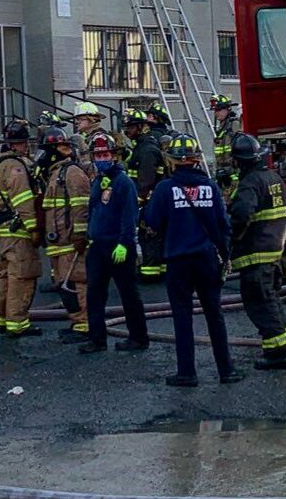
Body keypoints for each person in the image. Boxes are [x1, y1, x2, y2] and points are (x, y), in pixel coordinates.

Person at [143, 133, 241, 387]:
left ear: (173, 161)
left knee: (182, 316)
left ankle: (187, 373)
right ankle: (226, 370)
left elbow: (152, 222)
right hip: (207, 259)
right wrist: (225, 254)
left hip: (178, 261)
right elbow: (223, 225)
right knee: (214, 315)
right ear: (196, 159)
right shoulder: (210, 186)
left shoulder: (165, 189)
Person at [227, 133, 286, 370]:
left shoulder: (250, 183)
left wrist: (232, 237)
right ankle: (282, 343)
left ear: (240, 160)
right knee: (271, 300)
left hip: (255, 255)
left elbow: (242, 214)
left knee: (260, 304)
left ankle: (276, 354)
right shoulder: (274, 178)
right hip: (275, 252)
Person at [80, 132, 150, 354]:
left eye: (106, 154)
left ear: (114, 156)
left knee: (129, 294)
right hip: (98, 246)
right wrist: (90, 236)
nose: (102, 159)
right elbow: (92, 210)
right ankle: (97, 339)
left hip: (118, 247)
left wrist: (124, 243)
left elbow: (129, 217)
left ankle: (139, 338)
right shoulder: (98, 182)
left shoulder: (124, 183)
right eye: (98, 155)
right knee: (95, 294)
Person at [38, 125, 93, 342]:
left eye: (48, 150)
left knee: (78, 282)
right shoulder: (56, 174)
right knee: (65, 283)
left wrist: (80, 235)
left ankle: (86, 326)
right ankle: (78, 322)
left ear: (62, 149)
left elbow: (82, 206)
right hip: (59, 241)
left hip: (71, 241)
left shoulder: (72, 172)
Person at [0, 120, 41, 337]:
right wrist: (34, 228)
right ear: (18, 144)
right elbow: (23, 199)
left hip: (4, 231)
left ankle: (1, 318)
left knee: (6, 277)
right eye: (24, 143)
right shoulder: (16, 166)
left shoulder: (0, 164)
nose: (27, 147)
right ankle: (17, 323)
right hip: (18, 231)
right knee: (21, 277)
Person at [124, 109, 169, 281]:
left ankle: (150, 274)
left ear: (142, 127)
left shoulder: (148, 150)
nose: (127, 131)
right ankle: (162, 270)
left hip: (150, 200)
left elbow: (146, 181)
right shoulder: (141, 147)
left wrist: (136, 203)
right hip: (149, 199)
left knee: (149, 235)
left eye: (130, 127)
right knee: (154, 236)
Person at [210, 95, 242, 198]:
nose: (216, 113)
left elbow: (239, 149)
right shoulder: (222, 127)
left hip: (234, 173)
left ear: (227, 109)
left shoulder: (234, 125)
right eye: (215, 110)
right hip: (223, 173)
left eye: (219, 110)